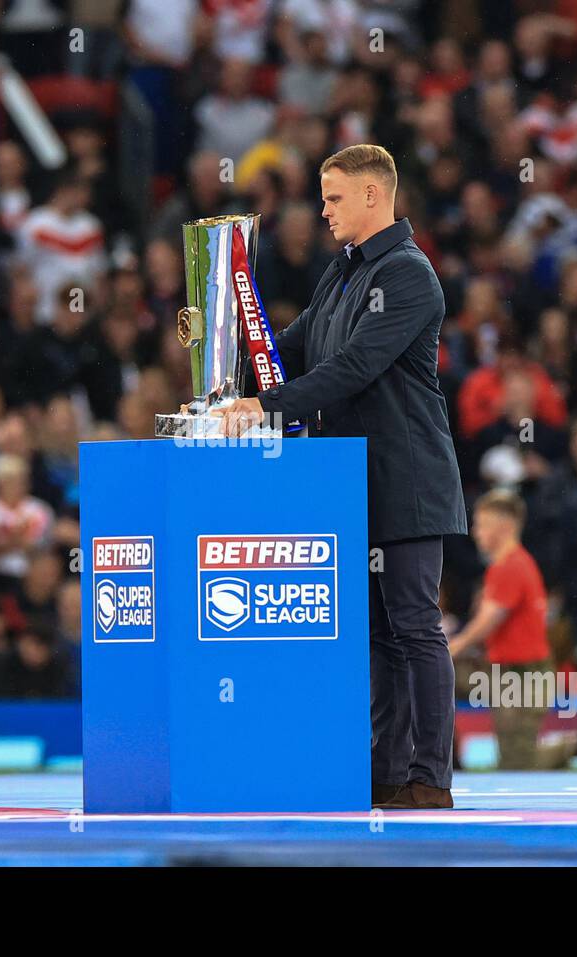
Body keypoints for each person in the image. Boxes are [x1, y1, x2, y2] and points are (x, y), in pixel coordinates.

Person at [221, 144, 468, 809]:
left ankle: (428, 776)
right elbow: (293, 349)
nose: (323, 210)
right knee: (377, 635)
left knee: (414, 625)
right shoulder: (341, 273)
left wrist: (264, 406)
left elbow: (356, 366)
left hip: (407, 480)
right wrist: (226, 359)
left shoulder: (411, 275)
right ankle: (386, 772)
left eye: (332, 197)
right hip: (349, 484)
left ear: (371, 195)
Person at [449, 490, 577, 770]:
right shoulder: (509, 565)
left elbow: (490, 619)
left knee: (518, 763)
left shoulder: (511, 566)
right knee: (437, 675)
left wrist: (453, 646)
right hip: (504, 672)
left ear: (505, 525)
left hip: (523, 675)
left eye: (482, 524)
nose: (476, 533)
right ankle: (447, 753)